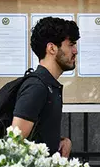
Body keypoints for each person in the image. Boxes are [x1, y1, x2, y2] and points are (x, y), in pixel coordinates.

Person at [11, 17, 80, 158]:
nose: (75, 51)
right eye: (71, 45)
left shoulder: (48, 85)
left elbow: (38, 134)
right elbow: (14, 143)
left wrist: (60, 142)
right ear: (52, 48)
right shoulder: (37, 87)